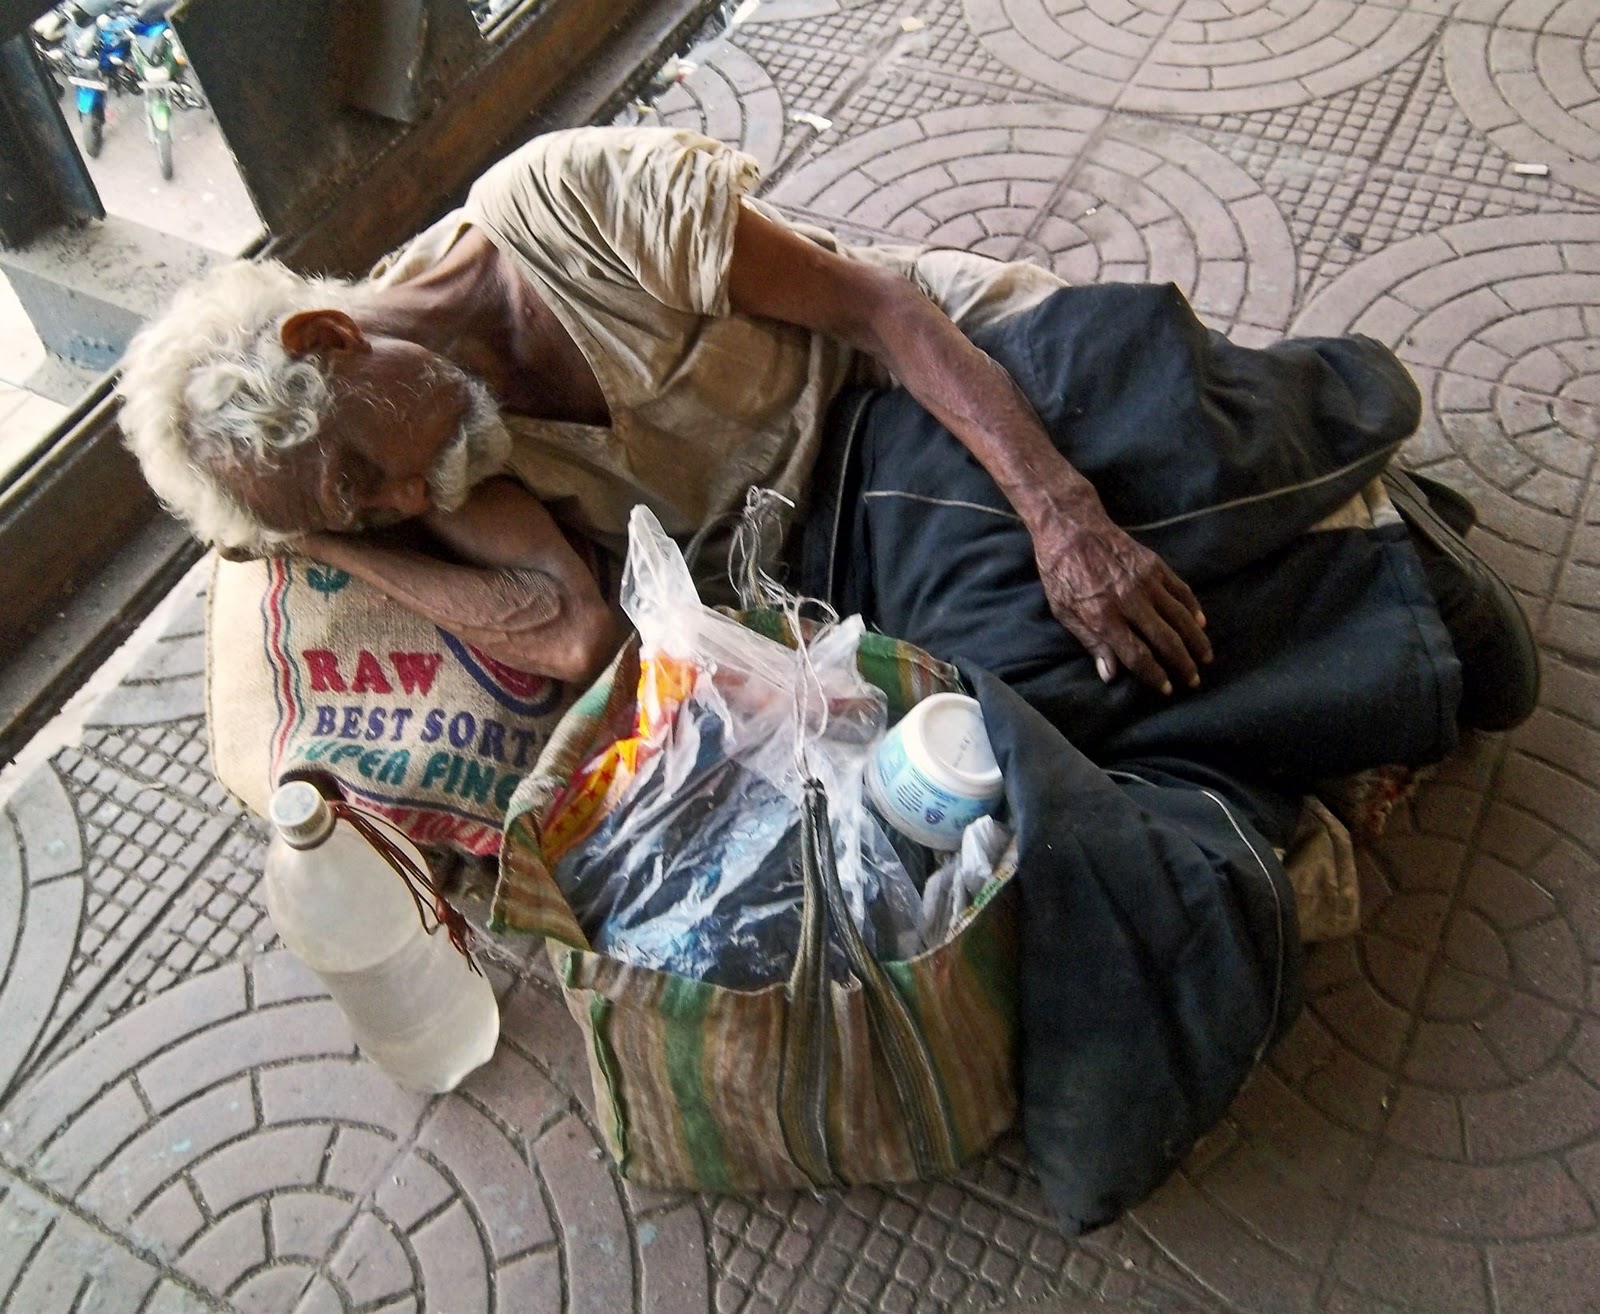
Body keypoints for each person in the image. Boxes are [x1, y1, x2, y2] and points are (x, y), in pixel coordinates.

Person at [116, 125, 1538, 1230]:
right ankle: (1381, 628)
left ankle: (1373, 596)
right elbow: (564, 635)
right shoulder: (442, 456)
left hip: (877, 413)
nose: (390, 500)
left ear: (330, 341)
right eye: (355, 510)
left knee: (1120, 444)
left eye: (359, 474)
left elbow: (881, 311)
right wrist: (355, 545)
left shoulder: (562, 211)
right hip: (826, 567)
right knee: (1007, 714)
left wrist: (1062, 514)